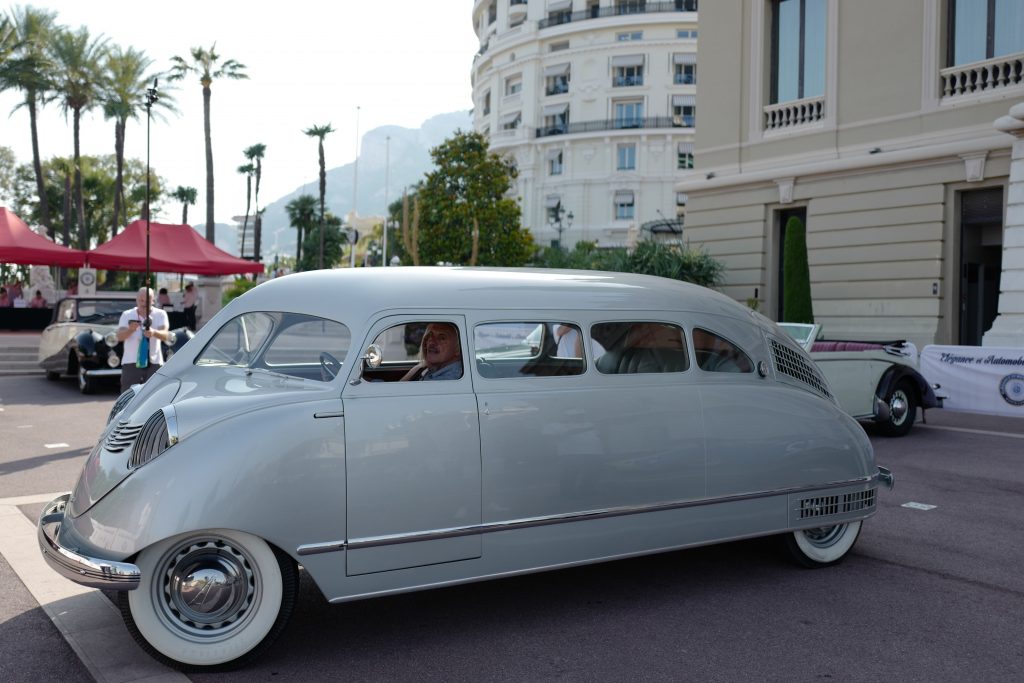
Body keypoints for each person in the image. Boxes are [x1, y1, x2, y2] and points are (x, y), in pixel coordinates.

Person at [116, 287, 171, 391]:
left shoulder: (160, 314)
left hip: (154, 362)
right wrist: (130, 330)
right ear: (136, 300)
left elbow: (166, 335)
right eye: (141, 300)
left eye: (147, 300)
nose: (144, 303)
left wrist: (154, 332)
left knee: (153, 394)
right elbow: (119, 336)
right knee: (128, 395)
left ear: (153, 300)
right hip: (131, 361)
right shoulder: (127, 314)